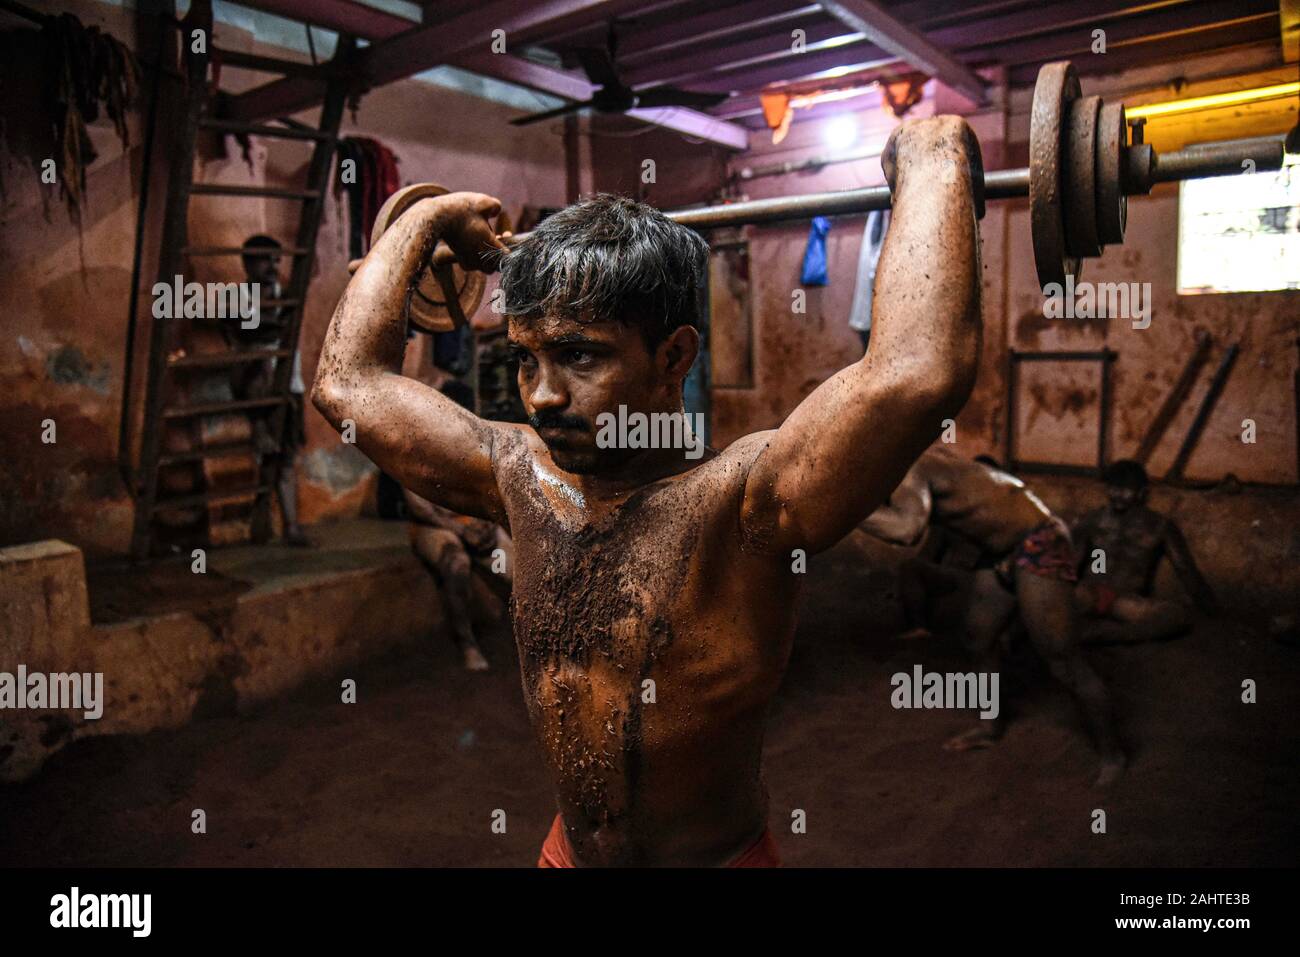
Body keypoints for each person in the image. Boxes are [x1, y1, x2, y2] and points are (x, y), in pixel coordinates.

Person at [313, 116, 984, 866]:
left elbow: (918, 371)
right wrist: (426, 218)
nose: (541, 395)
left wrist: (934, 153)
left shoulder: (745, 506)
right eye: (527, 359)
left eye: (578, 355)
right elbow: (347, 384)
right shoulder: (519, 478)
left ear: (674, 356)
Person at [860, 447, 1125, 786]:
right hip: (1000, 552)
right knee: (978, 638)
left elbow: (906, 530)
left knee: (1063, 660)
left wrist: (845, 511)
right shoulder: (905, 460)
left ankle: (1112, 755)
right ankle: (990, 726)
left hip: (1039, 540)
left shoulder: (910, 464)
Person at [404, 377, 514, 672]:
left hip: (469, 521)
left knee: (517, 568)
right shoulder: (415, 448)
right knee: (457, 565)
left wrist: (487, 524)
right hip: (433, 526)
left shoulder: (471, 445)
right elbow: (418, 507)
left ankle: (535, 642)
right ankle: (467, 644)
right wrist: (460, 530)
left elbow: (485, 493)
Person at [1072, 459, 1218, 642]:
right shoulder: (1091, 520)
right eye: (1113, 488)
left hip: (1125, 601)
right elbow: (1070, 565)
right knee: (1054, 601)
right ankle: (1104, 633)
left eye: (1126, 489)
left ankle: (1106, 634)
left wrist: (1211, 608)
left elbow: (1185, 569)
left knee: (1176, 616)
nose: (1117, 494)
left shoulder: (1160, 526)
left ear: (1142, 493)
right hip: (1089, 593)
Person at [235, 235, 311, 547]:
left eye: (276, 260)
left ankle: (289, 526)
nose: (272, 267)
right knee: (270, 456)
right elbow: (253, 334)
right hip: (259, 385)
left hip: (289, 385)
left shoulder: (284, 295)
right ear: (248, 264)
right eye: (265, 260)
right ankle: (259, 427)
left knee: (285, 458)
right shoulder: (241, 296)